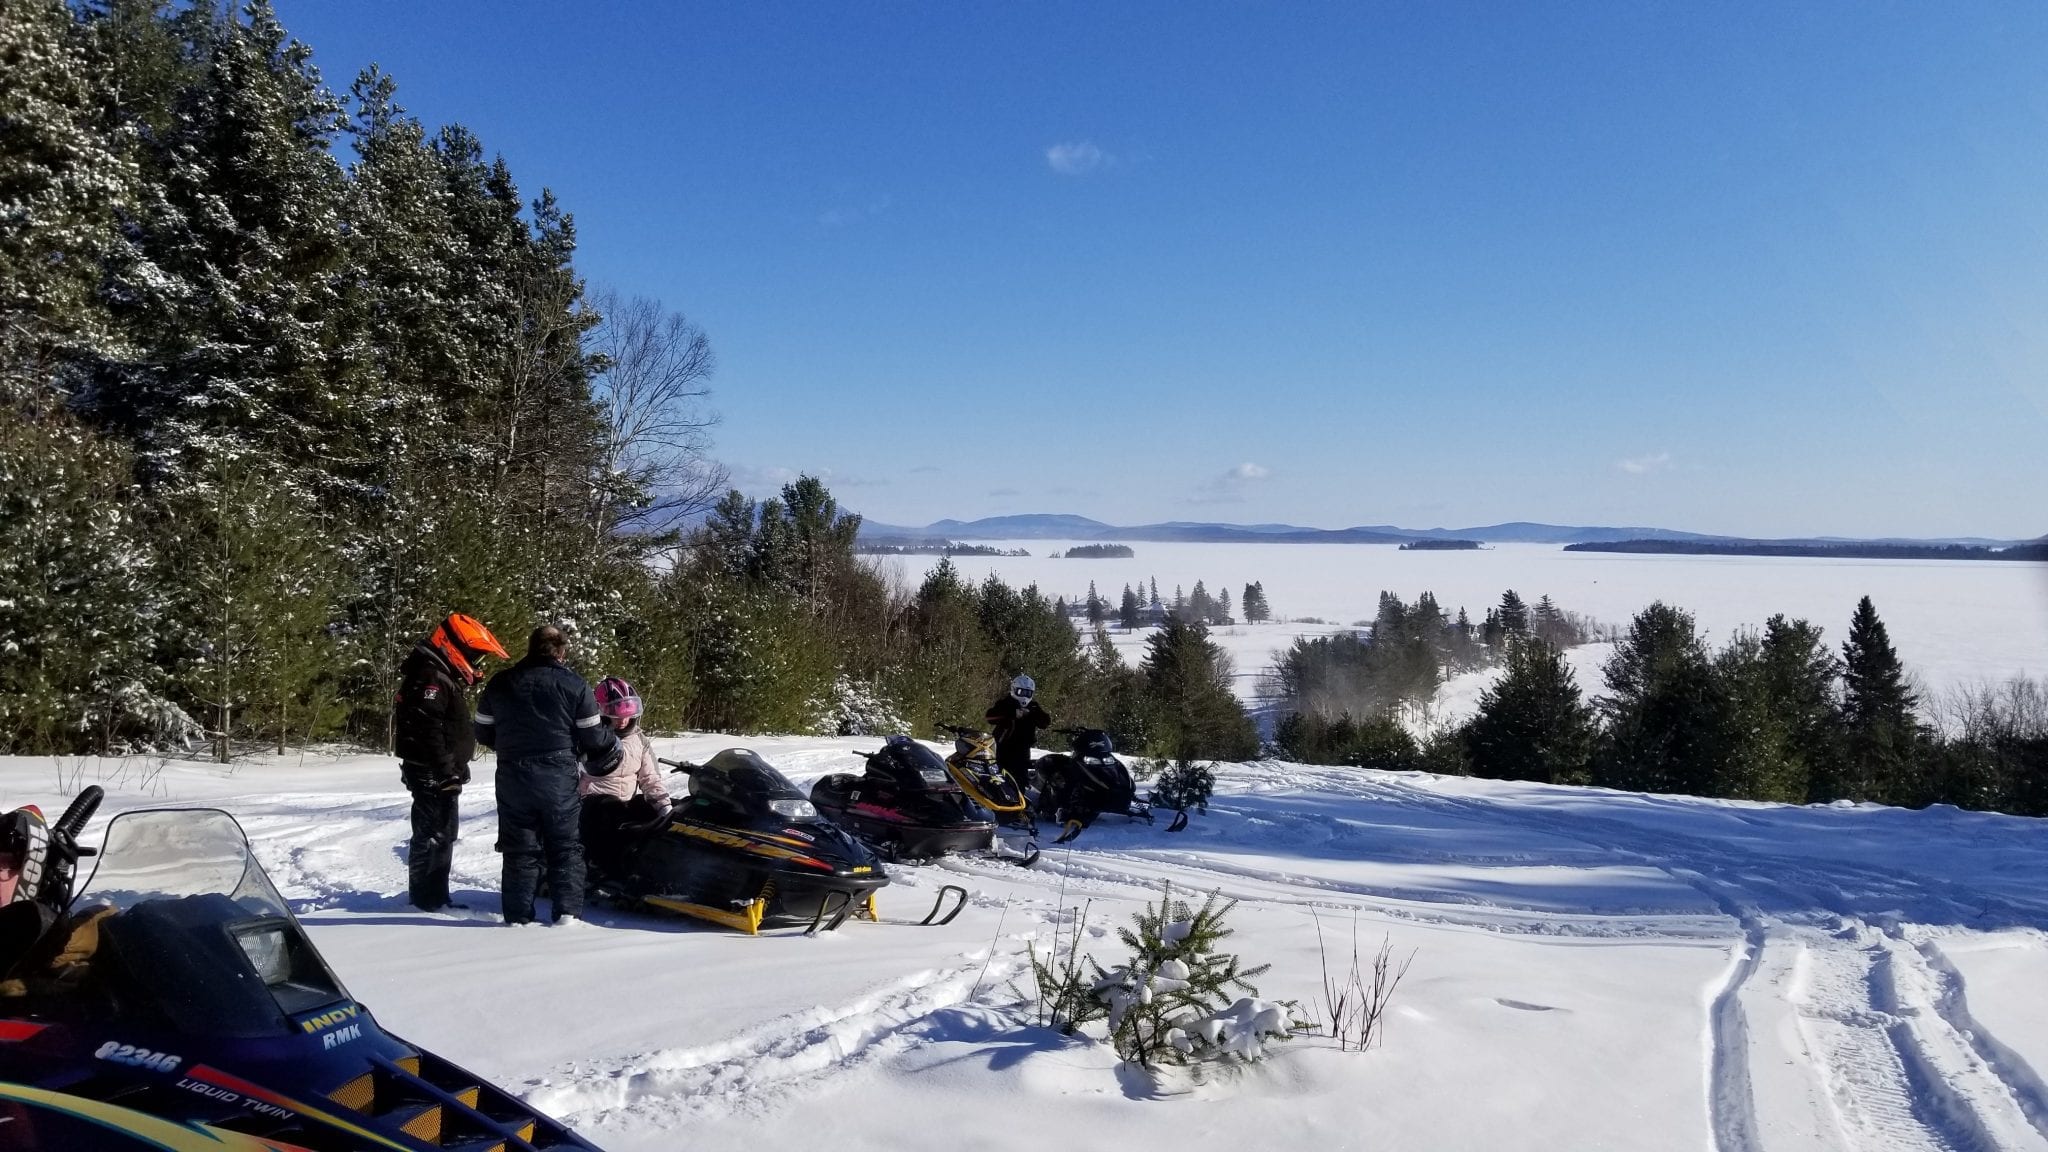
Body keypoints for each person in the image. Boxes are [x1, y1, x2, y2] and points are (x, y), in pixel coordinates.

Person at [474, 625, 621, 925]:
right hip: (557, 775)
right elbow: (594, 737)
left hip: (512, 775)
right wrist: (607, 743)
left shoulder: (500, 683)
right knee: (565, 846)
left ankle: (517, 919)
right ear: (561, 651)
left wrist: (511, 746)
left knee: (519, 849)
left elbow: (483, 731)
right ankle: (566, 916)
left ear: (530, 647)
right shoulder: (574, 685)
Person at [393, 613, 508, 912]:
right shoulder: (432, 676)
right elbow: (427, 727)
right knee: (434, 833)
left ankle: (432, 896)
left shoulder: (438, 673)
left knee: (441, 833)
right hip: (431, 770)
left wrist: (456, 763)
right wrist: (446, 769)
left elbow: (443, 728)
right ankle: (426, 900)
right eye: (476, 655)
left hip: (438, 768)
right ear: (454, 647)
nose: (478, 662)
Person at [578, 677, 672, 887]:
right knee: (609, 809)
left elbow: (649, 777)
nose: (622, 719)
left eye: (627, 712)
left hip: (623, 801)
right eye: (615, 713)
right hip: (592, 804)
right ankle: (600, 867)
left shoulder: (639, 740)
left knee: (651, 810)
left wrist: (664, 805)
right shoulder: (589, 738)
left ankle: (653, 864)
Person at [985, 674, 1051, 789]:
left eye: (1028, 693)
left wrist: (1032, 714)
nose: (1025, 696)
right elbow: (990, 717)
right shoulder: (1006, 703)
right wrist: (1012, 714)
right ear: (1014, 690)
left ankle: (1020, 802)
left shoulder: (1033, 706)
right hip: (1003, 747)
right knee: (1000, 778)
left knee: (1020, 780)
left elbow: (1045, 722)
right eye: (1021, 692)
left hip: (1023, 749)